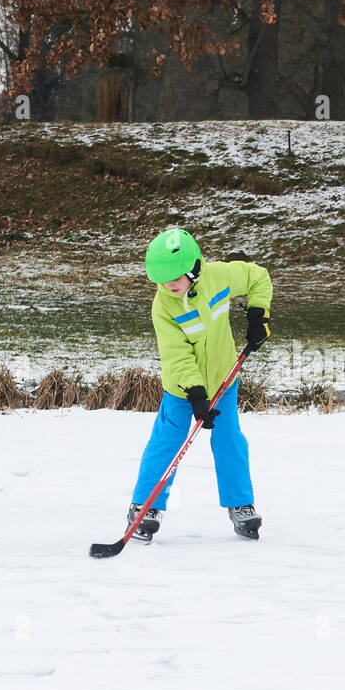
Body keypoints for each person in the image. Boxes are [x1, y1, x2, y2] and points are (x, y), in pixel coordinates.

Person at [126, 228, 272, 541]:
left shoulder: (219, 277)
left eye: (174, 278)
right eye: (162, 280)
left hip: (224, 379)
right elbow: (177, 356)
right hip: (182, 391)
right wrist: (195, 394)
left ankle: (241, 505)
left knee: (229, 439)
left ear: (193, 268)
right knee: (168, 442)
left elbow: (258, 277)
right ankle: (144, 507)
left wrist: (258, 316)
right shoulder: (164, 307)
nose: (168, 285)